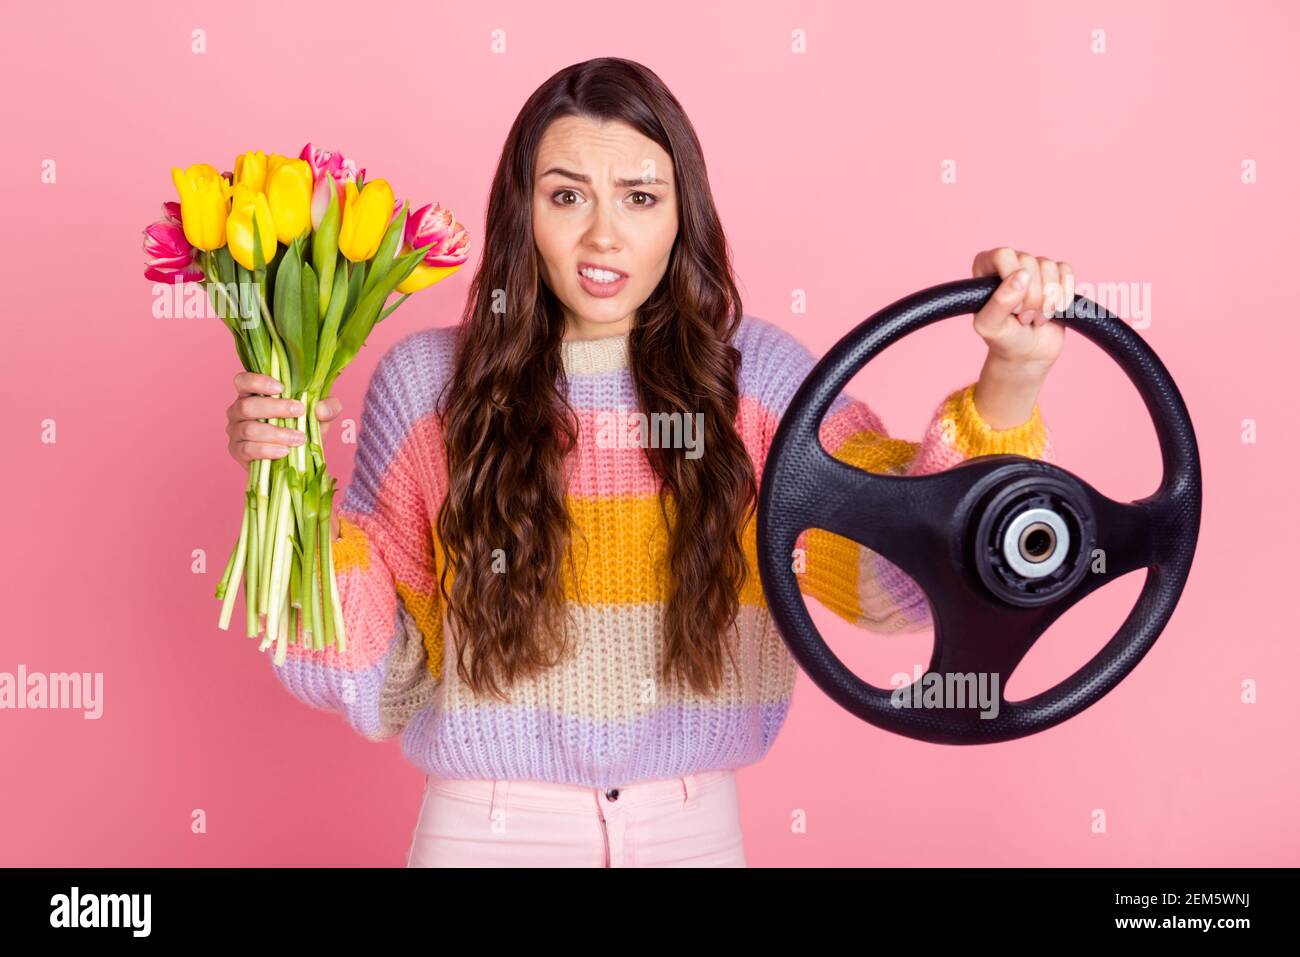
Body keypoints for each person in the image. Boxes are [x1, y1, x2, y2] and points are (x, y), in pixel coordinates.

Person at [223, 57, 1069, 867]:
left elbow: (904, 583)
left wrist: (1011, 377)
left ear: (681, 214)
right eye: (566, 195)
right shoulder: (428, 386)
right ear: (522, 212)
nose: (603, 233)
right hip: (488, 832)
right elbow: (383, 681)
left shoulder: (763, 383)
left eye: (638, 196)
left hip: (692, 831)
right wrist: (286, 493)